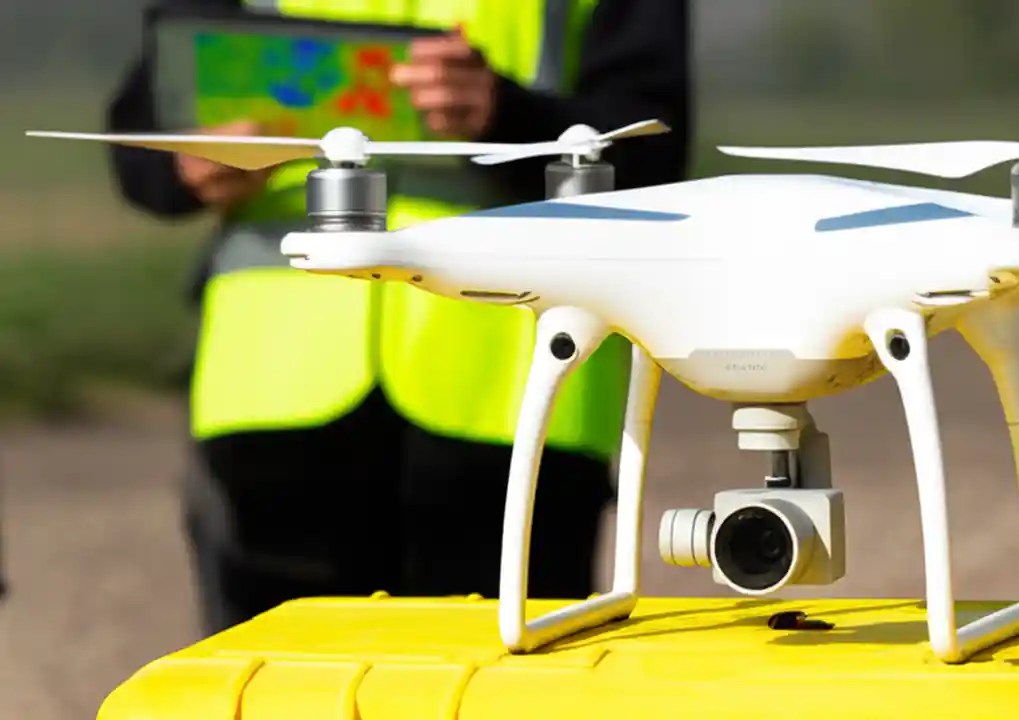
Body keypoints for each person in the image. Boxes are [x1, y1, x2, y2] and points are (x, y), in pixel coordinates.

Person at [105, 0, 690, 634]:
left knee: (499, 692)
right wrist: (186, 163)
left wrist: (508, 116)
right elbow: (142, 131)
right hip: (272, 393)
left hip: (515, 391)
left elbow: (654, 145)